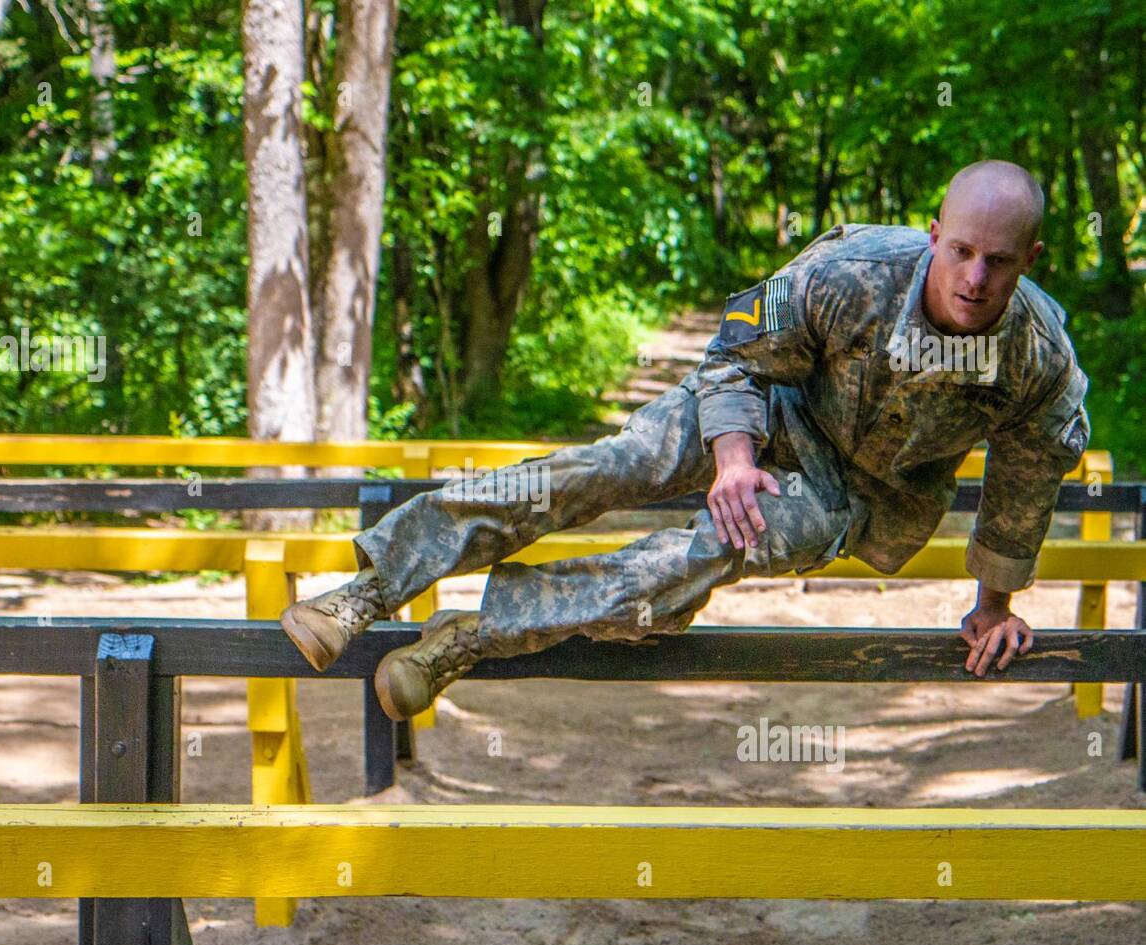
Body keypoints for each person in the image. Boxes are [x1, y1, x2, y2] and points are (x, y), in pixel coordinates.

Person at [281, 160, 1091, 722]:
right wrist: (733, 456)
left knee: (708, 549)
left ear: (1031, 260)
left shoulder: (1038, 359)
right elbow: (736, 349)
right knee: (606, 466)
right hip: (765, 402)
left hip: (856, 493)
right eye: (960, 250)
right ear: (931, 234)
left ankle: (471, 635)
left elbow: (1027, 483)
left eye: (999, 261)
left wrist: (994, 607)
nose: (974, 278)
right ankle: (370, 587)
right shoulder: (850, 273)